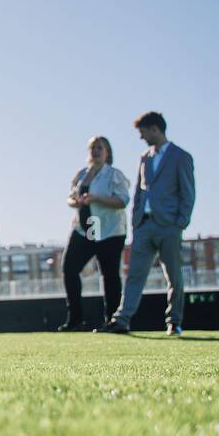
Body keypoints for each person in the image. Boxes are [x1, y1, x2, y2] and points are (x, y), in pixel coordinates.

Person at [96, 111, 195, 336]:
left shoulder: (181, 157)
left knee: (174, 276)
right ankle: (122, 320)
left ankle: (174, 322)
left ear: (154, 129)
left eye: (143, 133)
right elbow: (139, 193)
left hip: (169, 226)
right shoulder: (144, 158)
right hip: (144, 226)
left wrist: (180, 223)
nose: (141, 138)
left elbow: (188, 193)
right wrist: (136, 221)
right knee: (134, 275)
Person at [56, 135, 129, 331]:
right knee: (69, 269)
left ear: (107, 153)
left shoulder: (114, 175)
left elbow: (123, 200)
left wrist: (97, 198)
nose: (96, 151)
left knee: (109, 274)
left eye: (100, 148)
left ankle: (112, 320)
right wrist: (77, 202)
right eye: (93, 148)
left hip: (109, 230)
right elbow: (70, 198)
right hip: (84, 228)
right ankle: (75, 318)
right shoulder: (81, 174)